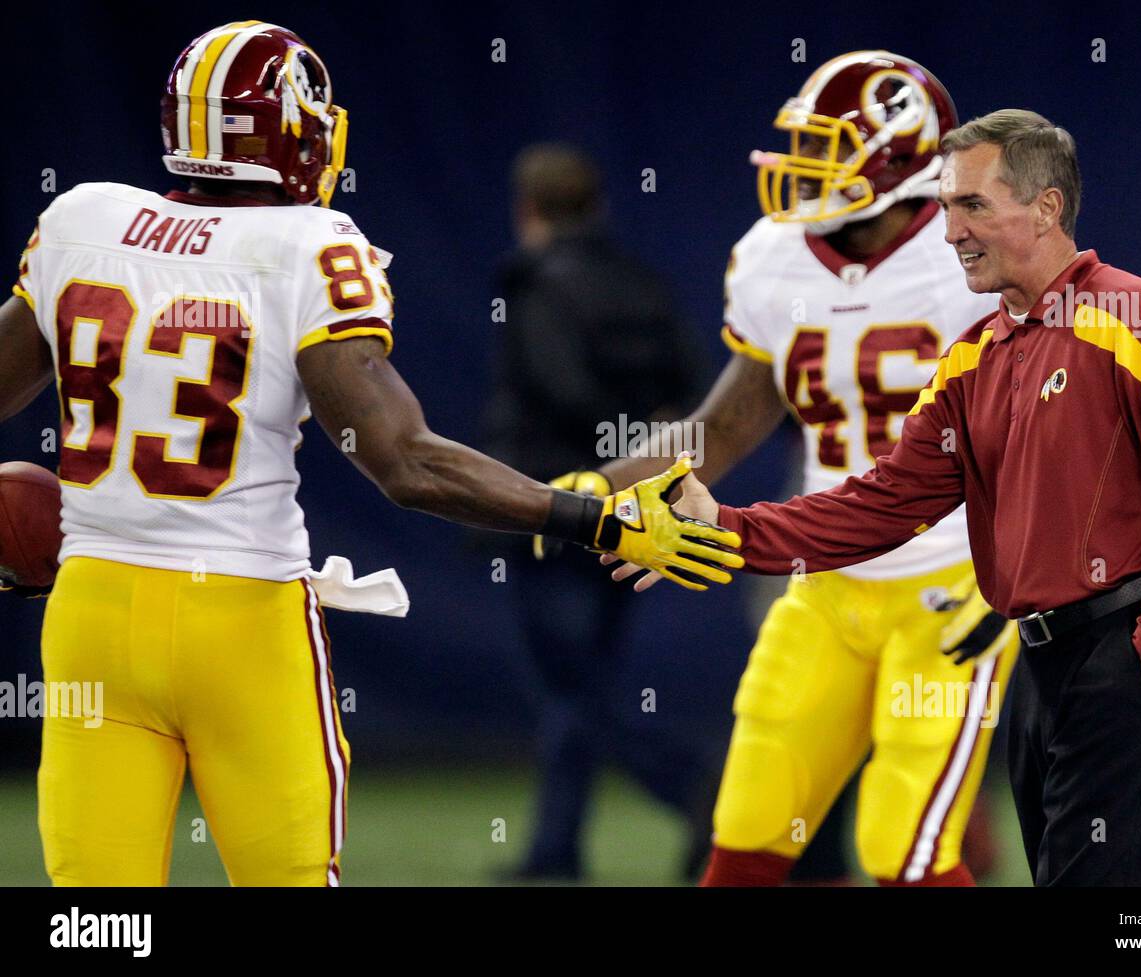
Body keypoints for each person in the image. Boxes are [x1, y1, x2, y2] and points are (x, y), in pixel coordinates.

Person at [0, 20, 737, 887]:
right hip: (240, 620)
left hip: (93, 619)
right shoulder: (310, 246)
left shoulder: (83, 218)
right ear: (293, 130)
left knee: (97, 920)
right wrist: (593, 519)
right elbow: (406, 462)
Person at [614, 109, 1141, 886]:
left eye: (973, 205)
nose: (950, 231)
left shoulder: (1134, 319)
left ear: (1047, 207)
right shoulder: (976, 354)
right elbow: (883, 503)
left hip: (1125, 646)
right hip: (1039, 659)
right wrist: (728, 524)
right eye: (946, 206)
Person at [550, 51, 1019, 886]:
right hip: (826, 577)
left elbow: (1060, 433)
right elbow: (725, 424)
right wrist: (597, 492)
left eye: (828, 151)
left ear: (901, 161)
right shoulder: (774, 255)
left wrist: (1025, 568)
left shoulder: (975, 256)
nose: (803, 172)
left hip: (952, 582)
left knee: (900, 845)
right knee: (750, 826)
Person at [483, 143, 715, 881]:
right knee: (582, 687)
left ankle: (711, 797)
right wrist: (644, 458)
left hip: (556, 509)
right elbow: (692, 384)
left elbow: (560, 389)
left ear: (528, 210)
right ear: (598, 205)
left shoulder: (533, 285)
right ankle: (556, 848)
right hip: (636, 511)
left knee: (577, 689)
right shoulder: (640, 281)